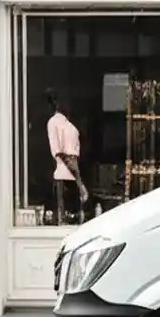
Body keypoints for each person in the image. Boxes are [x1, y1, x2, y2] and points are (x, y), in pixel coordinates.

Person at [46, 89, 88, 224]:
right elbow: (67, 157)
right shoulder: (67, 126)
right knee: (70, 218)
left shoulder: (59, 124)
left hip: (64, 176)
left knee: (64, 218)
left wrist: (79, 184)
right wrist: (80, 184)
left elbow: (63, 154)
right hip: (67, 175)